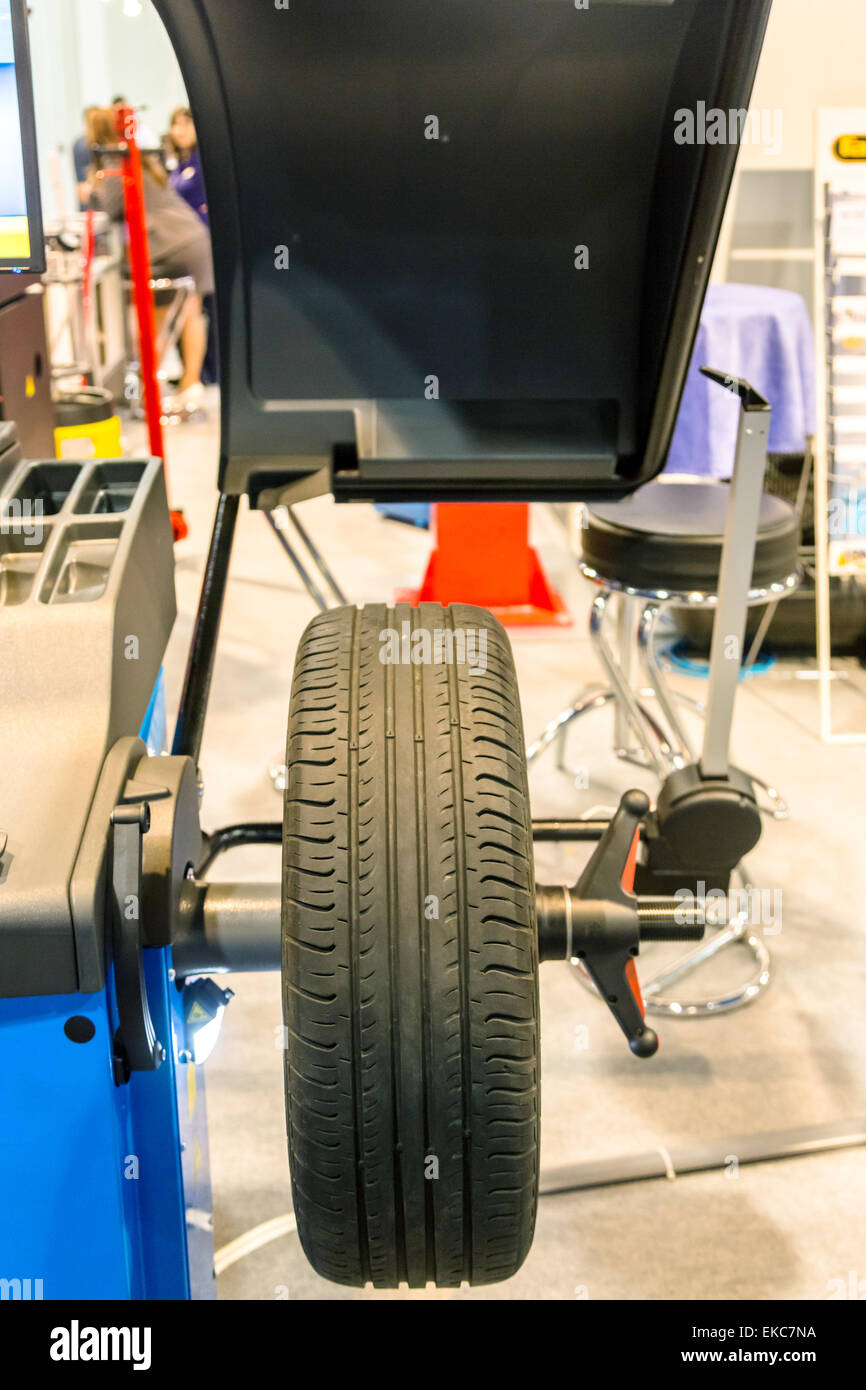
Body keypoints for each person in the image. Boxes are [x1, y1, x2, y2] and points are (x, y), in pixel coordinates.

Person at [84, 107, 213, 416]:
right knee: (190, 314)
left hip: (171, 248)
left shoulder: (116, 165)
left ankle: (149, 392)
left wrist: (90, 193)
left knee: (156, 325)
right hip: (194, 241)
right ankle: (190, 384)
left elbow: (112, 209)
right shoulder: (144, 160)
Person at [164, 107, 218, 383]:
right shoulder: (178, 165)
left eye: (186, 124)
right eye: (176, 125)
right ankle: (192, 371)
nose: (180, 130)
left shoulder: (203, 162)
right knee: (186, 309)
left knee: (202, 309)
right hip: (182, 245)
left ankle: (207, 372)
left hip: (202, 244)